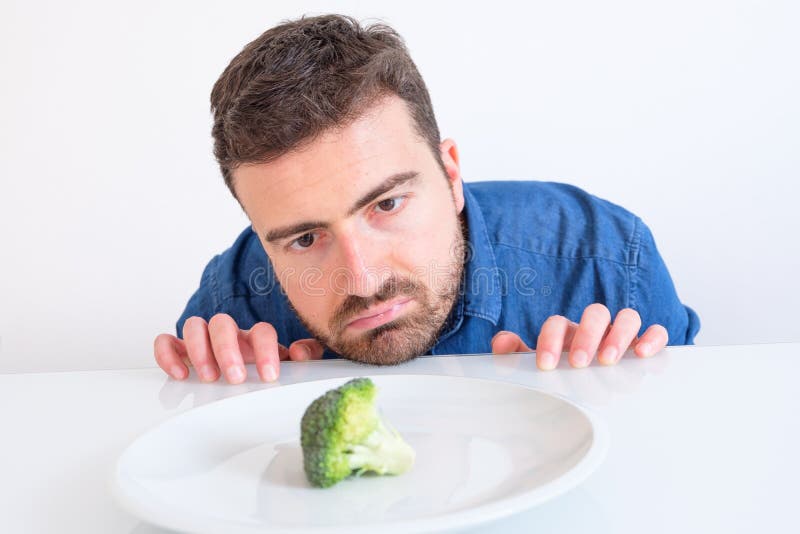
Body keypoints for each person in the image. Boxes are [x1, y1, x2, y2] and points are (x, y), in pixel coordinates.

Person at [153, 14, 700, 384]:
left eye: (386, 205)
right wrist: (220, 401)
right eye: (304, 238)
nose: (362, 281)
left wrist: (630, 398)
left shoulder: (607, 260)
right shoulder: (234, 302)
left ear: (451, 173)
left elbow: (688, 459)